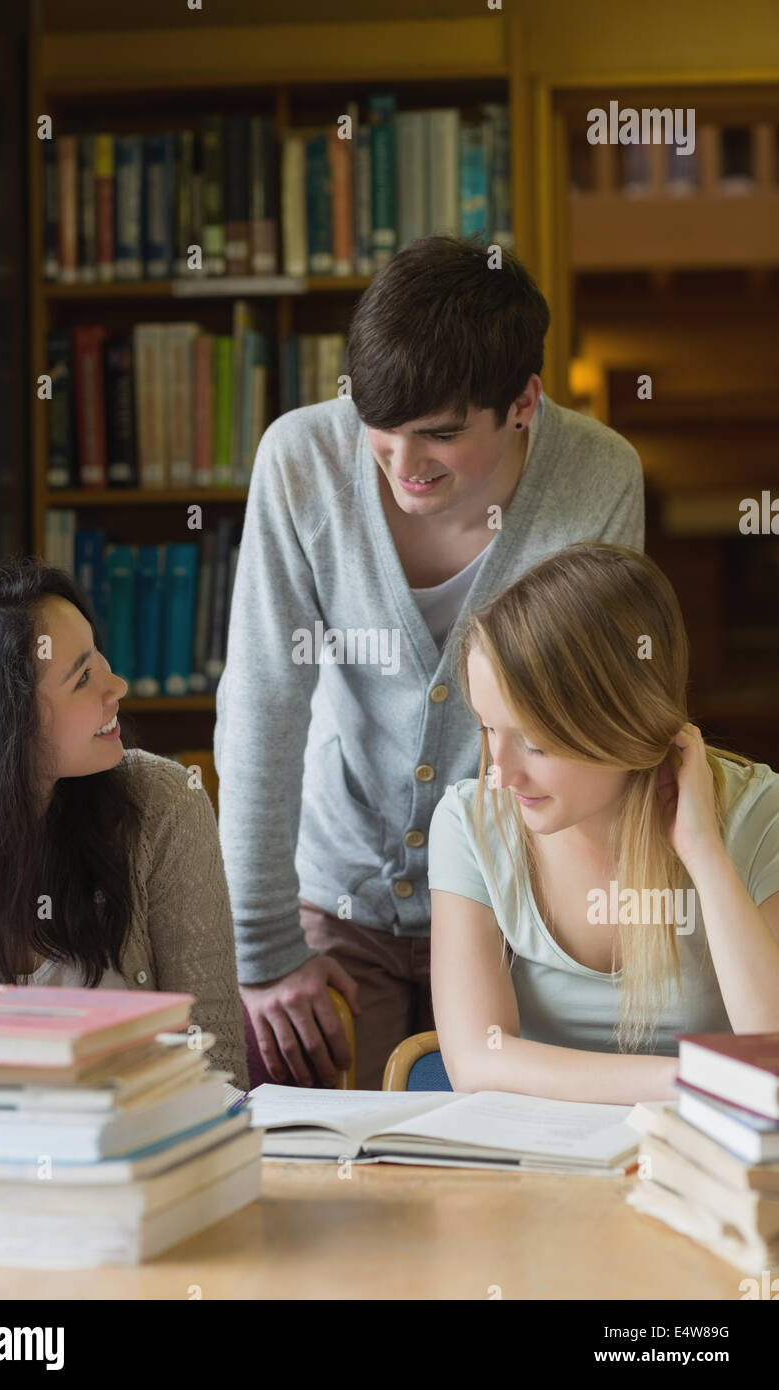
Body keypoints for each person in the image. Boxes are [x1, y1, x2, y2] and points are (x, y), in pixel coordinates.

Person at [215, 234, 646, 1090]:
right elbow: (265, 698)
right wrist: (261, 946)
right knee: (338, 1188)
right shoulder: (300, 459)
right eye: (379, 438)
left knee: (505, 1179)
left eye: (439, 438)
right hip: (336, 902)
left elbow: (594, 729)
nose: (404, 469)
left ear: (523, 402)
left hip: (520, 902)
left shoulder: (599, 475)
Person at [428, 542, 779, 1103]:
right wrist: (696, 1079)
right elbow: (476, 1059)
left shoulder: (758, 813)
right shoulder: (469, 823)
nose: (501, 773)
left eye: (535, 743)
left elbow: (771, 1050)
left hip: (707, 1166)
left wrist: (704, 854)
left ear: (624, 724)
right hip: (539, 1165)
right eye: (488, 730)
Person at [0, 560, 249, 1091]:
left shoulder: (163, 803)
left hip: (143, 1158)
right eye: (83, 677)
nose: (116, 685)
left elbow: (217, 1067)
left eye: (99, 657)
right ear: (5, 721)